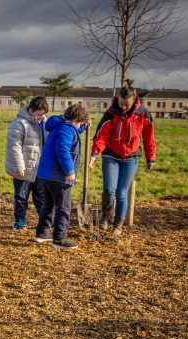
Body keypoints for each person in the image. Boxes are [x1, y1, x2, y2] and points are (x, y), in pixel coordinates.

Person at [88, 79, 157, 237]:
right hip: (111, 155)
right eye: (120, 103)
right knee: (109, 189)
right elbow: (101, 136)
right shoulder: (111, 113)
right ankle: (105, 217)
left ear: (134, 100)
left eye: (126, 104)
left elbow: (149, 138)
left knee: (122, 192)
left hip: (131, 158)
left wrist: (150, 158)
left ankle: (118, 225)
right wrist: (94, 154)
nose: (123, 106)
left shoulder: (143, 114)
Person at [33, 104, 91, 250]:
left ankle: (42, 233)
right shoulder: (66, 130)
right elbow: (63, 150)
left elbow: (74, 132)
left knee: (49, 204)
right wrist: (69, 171)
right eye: (80, 123)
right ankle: (59, 239)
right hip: (58, 176)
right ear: (75, 120)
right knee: (63, 208)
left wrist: (84, 127)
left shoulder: (61, 126)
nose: (80, 126)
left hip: (46, 175)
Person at [5, 96, 50, 230]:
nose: (42, 117)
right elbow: (14, 146)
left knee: (41, 196)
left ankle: (45, 221)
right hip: (24, 168)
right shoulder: (19, 124)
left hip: (40, 168)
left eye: (44, 114)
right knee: (21, 196)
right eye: (39, 114)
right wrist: (19, 166)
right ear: (30, 110)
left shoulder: (45, 123)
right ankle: (20, 221)